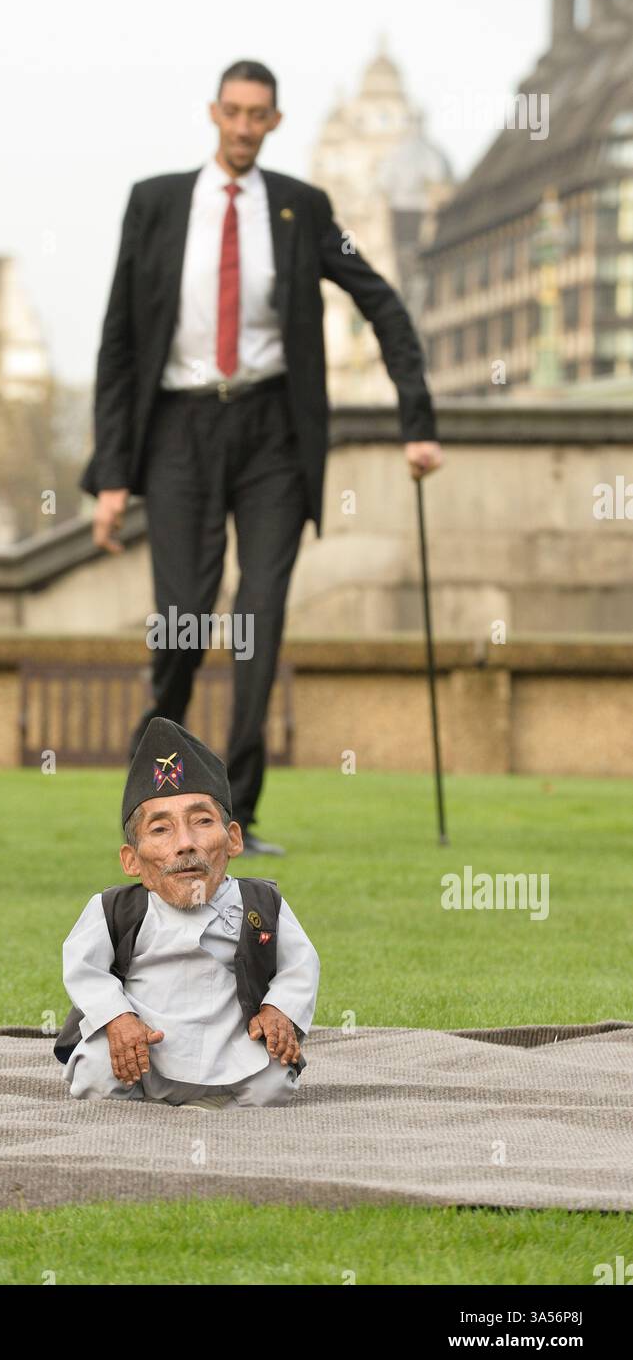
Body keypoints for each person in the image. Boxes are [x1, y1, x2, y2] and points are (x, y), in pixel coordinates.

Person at [80, 58, 444, 855]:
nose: (244, 127)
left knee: (259, 613)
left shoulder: (302, 208)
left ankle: (232, 815)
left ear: (274, 123)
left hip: (273, 430)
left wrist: (415, 421)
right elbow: (117, 340)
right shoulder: (155, 203)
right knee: (182, 615)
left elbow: (378, 298)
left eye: (259, 116)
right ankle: (161, 797)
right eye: (233, 112)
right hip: (178, 427)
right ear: (214, 113)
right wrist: (110, 476)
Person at [58, 717, 320, 1110]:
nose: (185, 844)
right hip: (144, 1049)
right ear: (132, 860)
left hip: (231, 1045)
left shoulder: (261, 905)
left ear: (233, 839)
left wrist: (277, 1009)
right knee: (96, 1073)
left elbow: (300, 965)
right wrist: (117, 1019)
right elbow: (84, 970)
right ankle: (147, 1095)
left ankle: (218, 1100)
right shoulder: (116, 910)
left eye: (201, 822)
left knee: (272, 1083)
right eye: (161, 830)